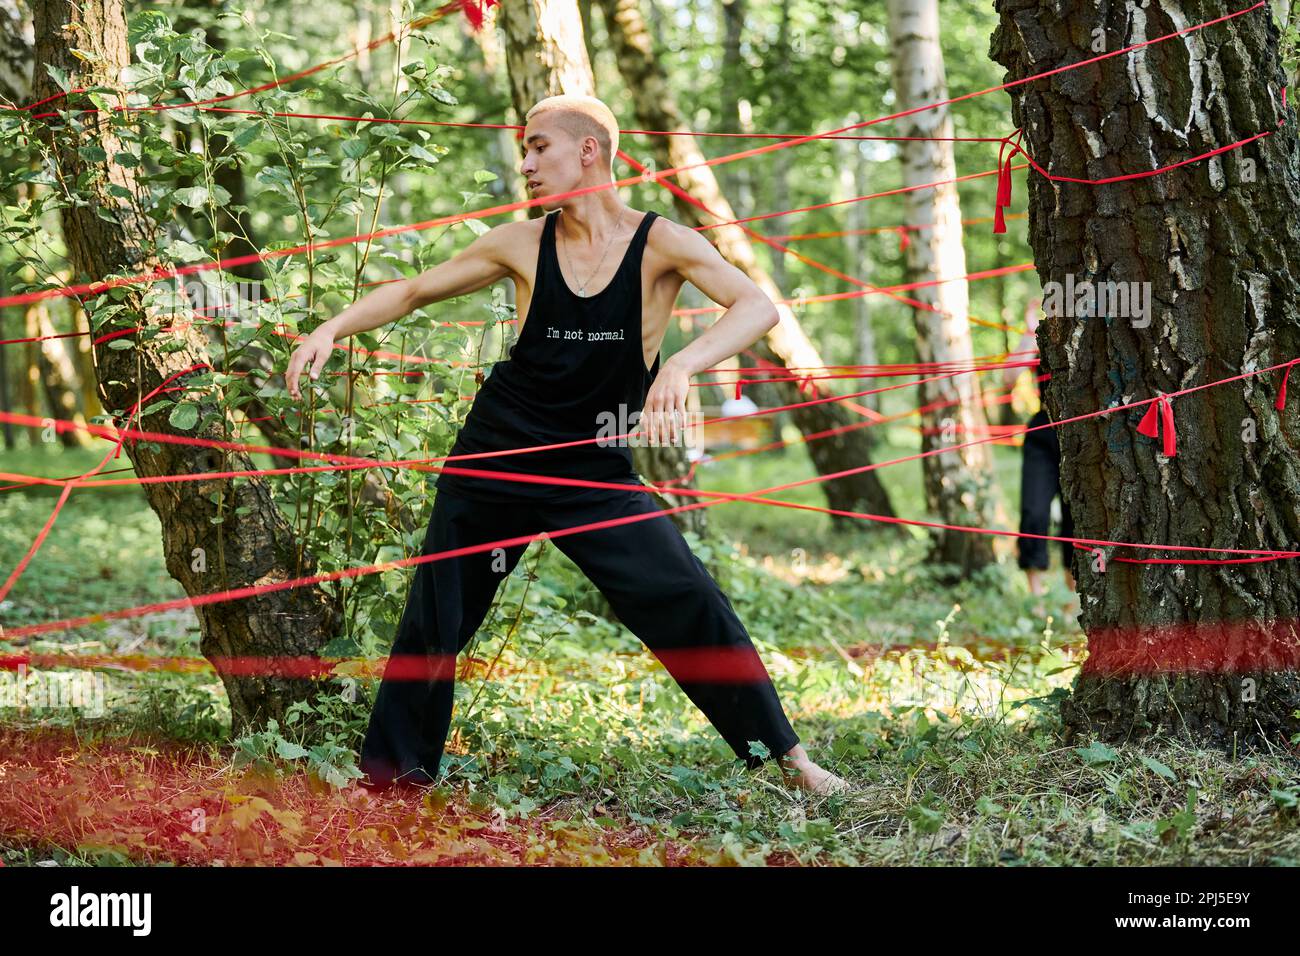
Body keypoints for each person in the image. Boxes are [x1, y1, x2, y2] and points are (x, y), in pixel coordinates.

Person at [285, 93, 847, 798]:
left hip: (591, 469)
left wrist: (680, 365)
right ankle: (391, 783)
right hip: (497, 457)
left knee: (684, 596)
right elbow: (413, 293)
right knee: (437, 619)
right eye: (524, 150)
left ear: (589, 151)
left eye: (538, 146)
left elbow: (759, 306)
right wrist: (331, 329)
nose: (526, 164)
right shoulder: (521, 242)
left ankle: (790, 763)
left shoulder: (661, 242)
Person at [1003, 301, 1077, 601]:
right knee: (1033, 510)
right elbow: (1008, 379)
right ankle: (1035, 598)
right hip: (1041, 430)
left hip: (1076, 433)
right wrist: (1029, 329)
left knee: (1076, 515)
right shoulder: (1042, 335)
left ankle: (1074, 596)